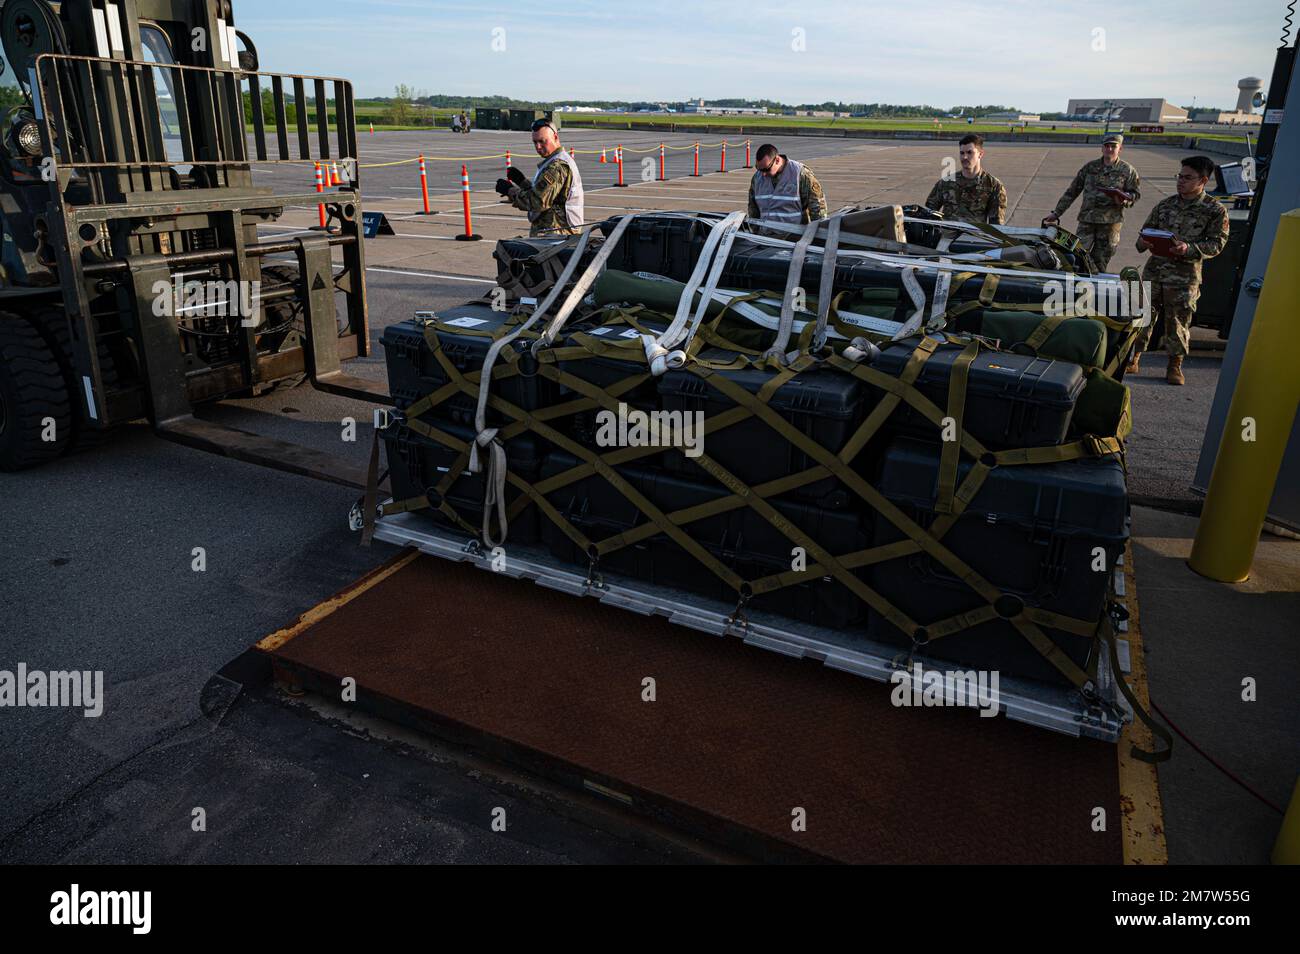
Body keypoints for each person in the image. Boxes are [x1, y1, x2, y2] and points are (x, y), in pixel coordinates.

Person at [1129, 155, 1229, 385]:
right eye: (1179, 176)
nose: (1180, 181)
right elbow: (1144, 233)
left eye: (1187, 177)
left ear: (1203, 180)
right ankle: (1133, 358)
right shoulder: (1165, 205)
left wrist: (1189, 248)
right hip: (1154, 271)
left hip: (1184, 276)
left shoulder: (1214, 210)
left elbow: (1217, 244)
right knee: (1140, 316)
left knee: (1178, 322)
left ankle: (1174, 365)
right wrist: (1144, 242)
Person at [1043, 133, 1141, 271]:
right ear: (1102, 148)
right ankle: (1078, 287)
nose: (1110, 149)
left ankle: (1094, 288)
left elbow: (1135, 194)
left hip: (1110, 224)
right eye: (1107, 146)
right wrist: (1057, 213)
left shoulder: (1128, 170)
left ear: (1120, 148)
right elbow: (1072, 192)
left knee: (1100, 262)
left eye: (1114, 146)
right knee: (1077, 256)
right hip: (1087, 221)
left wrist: (1124, 200)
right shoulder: (1090, 168)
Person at [495, 118, 584, 236]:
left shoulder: (556, 166)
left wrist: (510, 190)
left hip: (556, 234)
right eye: (535, 142)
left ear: (555, 137)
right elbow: (549, 195)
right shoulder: (555, 161)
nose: (538, 147)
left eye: (542, 141)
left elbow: (537, 202)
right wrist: (523, 183)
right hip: (555, 231)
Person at [924, 134, 1007, 224]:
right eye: (962, 153)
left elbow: (996, 225)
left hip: (973, 237)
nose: (964, 157)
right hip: (946, 236)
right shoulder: (946, 183)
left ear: (980, 154)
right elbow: (928, 214)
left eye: (969, 152)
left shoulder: (993, 185)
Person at [746, 143, 827, 224]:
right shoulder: (757, 178)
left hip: (795, 234)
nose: (763, 174)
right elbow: (753, 209)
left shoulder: (800, 174)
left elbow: (817, 207)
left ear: (777, 160)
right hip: (765, 234)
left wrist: (817, 232)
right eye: (759, 168)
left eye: (766, 169)